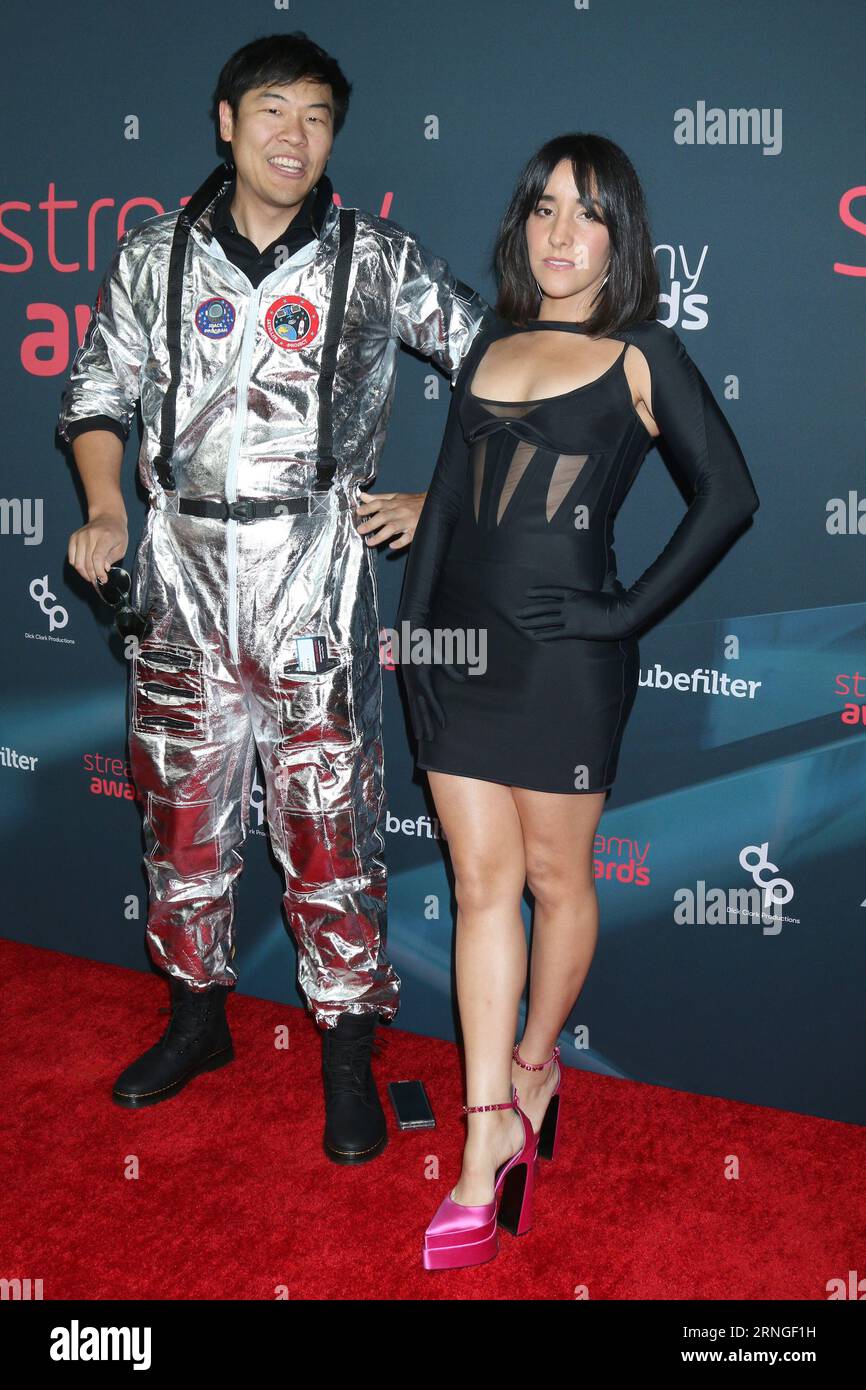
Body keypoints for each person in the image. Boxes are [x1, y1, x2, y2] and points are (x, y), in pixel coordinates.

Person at [57, 31, 492, 1165]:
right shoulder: (153, 258)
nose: (294, 136)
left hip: (312, 564)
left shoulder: (371, 257)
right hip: (179, 561)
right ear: (224, 119)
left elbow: (493, 358)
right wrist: (106, 507)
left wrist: (434, 498)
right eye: (272, 112)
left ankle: (347, 1047)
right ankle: (197, 1018)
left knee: (327, 818)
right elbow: (97, 386)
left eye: (316, 118)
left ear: (333, 136)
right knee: (179, 811)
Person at [394, 132, 759, 1267]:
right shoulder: (488, 346)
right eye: (543, 208)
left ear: (619, 236)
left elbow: (728, 495)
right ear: (522, 226)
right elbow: (446, 513)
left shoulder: (642, 351)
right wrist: (411, 642)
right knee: (477, 884)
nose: (560, 233)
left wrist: (620, 613)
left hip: (564, 663)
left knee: (555, 879)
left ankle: (536, 1064)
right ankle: (484, 1131)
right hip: (457, 655)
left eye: (585, 213)